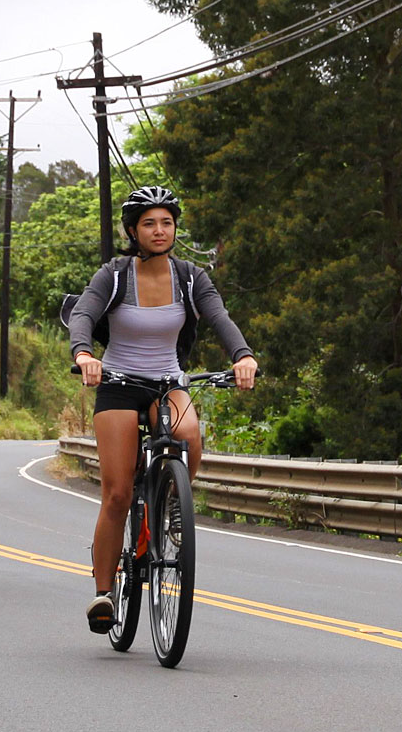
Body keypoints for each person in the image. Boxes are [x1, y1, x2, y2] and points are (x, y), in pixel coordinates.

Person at [64, 186, 258, 633]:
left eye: (166, 222)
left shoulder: (190, 277)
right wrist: (84, 355)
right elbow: (84, 316)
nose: (159, 230)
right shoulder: (114, 275)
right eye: (149, 223)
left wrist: (242, 355)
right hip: (117, 384)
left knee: (189, 435)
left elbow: (219, 317)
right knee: (116, 493)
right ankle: (104, 591)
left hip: (168, 382)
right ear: (133, 230)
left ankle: (172, 501)